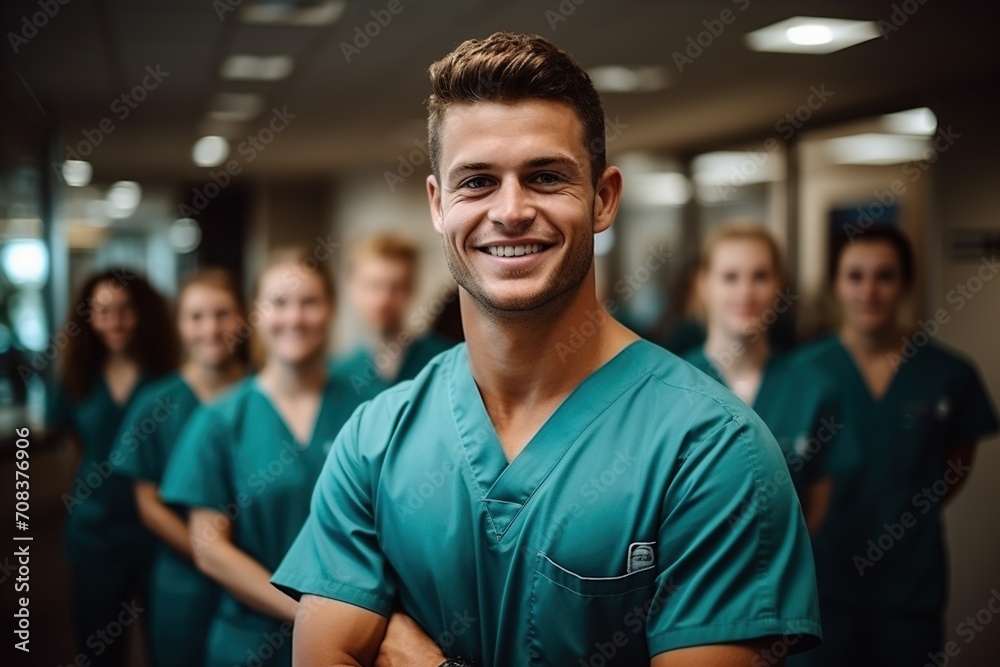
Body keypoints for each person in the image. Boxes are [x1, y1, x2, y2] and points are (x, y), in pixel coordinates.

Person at [272, 32, 821, 666]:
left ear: (603, 198)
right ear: (437, 205)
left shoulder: (712, 452)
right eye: (476, 181)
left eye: (546, 177)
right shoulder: (375, 439)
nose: (510, 211)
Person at [798, 226, 998, 666]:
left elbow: (957, 465)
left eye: (884, 276)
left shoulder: (948, 374)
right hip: (820, 588)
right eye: (855, 276)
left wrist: (907, 509)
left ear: (906, 283)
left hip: (909, 589)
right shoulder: (801, 374)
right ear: (835, 283)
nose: (869, 290)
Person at [160, 248, 362, 667]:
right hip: (250, 641)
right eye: (279, 303)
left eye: (309, 302)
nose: (294, 317)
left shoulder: (368, 411)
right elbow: (209, 546)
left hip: (357, 637)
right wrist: (310, 617)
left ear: (331, 309)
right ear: (256, 313)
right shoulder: (220, 420)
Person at [111, 269, 249, 667]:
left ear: (242, 318)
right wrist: (215, 557)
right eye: (196, 316)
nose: (210, 328)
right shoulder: (156, 403)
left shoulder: (267, 393)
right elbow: (148, 504)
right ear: (179, 324)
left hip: (263, 568)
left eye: (222, 314)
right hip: (186, 580)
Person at [683, 225, 855, 532]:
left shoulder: (814, 389)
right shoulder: (676, 386)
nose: (746, 292)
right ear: (703, 285)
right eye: (730, 277)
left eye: (760, 277)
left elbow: (816, 511)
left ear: (779, 286)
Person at [48, 270, 178, 667]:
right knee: (99, 647)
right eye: (103, 311)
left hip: (159, 531)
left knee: (168, 644)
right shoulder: (75, 377)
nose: (114, 322)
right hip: (95, 535)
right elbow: (76, 445)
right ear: (88, 317)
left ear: (144, 314)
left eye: (125, 310)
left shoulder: (168, 377)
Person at [333, 233, 454, 400]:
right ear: (351, 288)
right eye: (373, 285)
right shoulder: (337, 376)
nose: (383, 299)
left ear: (412, 289)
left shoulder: (445, 361)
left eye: (396, 287)